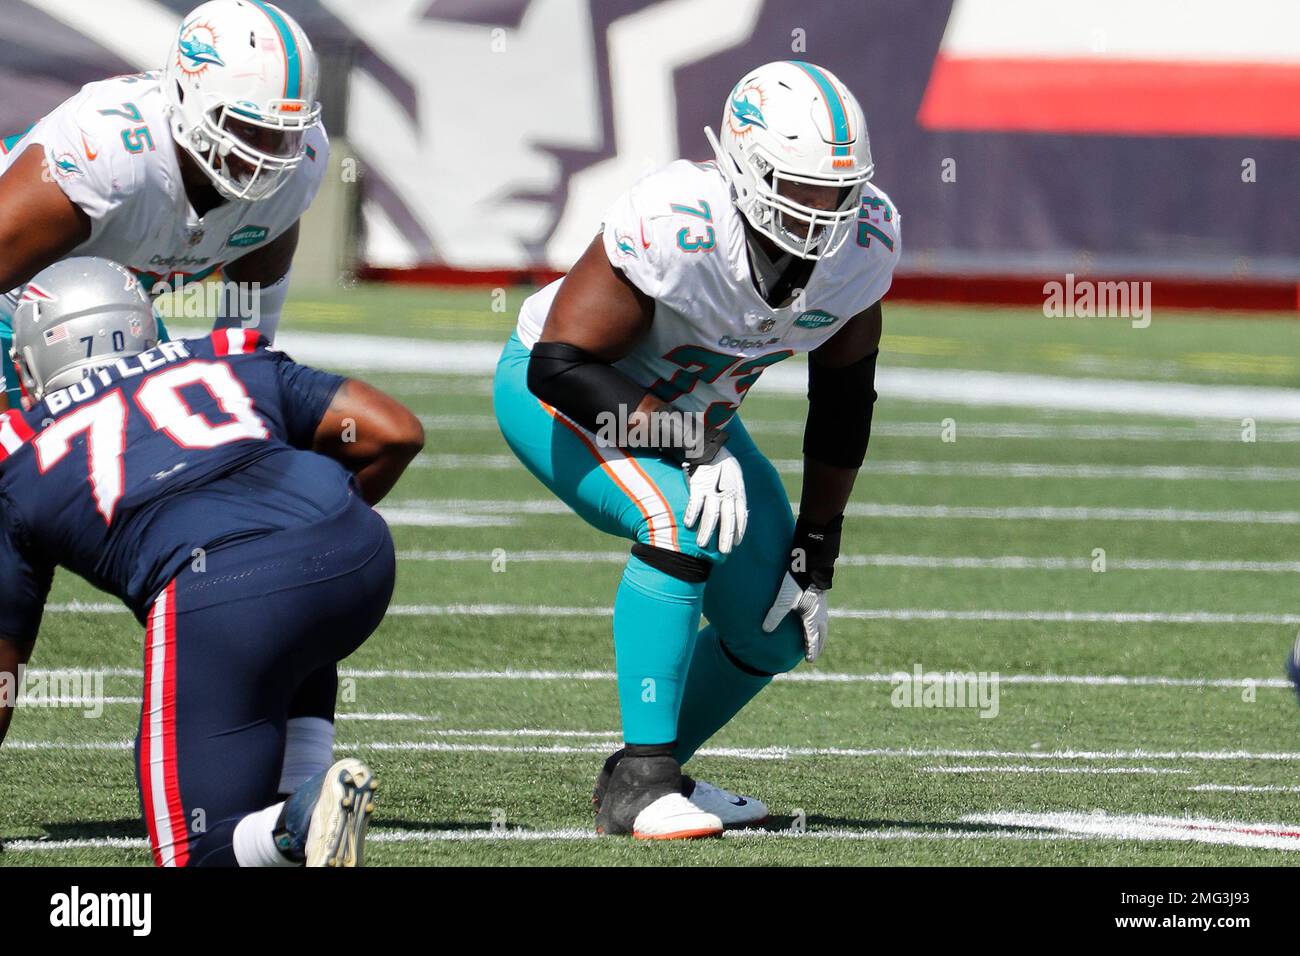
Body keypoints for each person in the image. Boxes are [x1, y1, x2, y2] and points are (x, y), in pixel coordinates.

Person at [494, 61, 900, 838]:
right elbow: (561, 364)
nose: (821, 214)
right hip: (575, 394)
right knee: (676, 523)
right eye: (800, 188)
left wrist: (819, 536)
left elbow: (844, 397)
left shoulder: (863, 246)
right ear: (744, 168)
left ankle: (642, 771)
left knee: (773, 630)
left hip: (697, 419)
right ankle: (645, 786)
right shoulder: (679, 221)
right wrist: (688, 447)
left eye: (837, 194)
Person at [0, 257, 425, 866]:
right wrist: (323, 514)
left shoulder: (18, 457)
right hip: (356, 558)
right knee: (289, 624)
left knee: (194, 852)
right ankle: (305, 786)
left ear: (36, 357)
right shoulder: (226, 355)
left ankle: (297, 827)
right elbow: (395, 430)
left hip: (225, 598)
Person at [0, 0, 330, 410]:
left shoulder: (295, 174)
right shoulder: (110, 153)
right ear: (184, 98)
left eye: (280, 136)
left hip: (107, 313)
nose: (266, 158)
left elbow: (246, 345)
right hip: (13, 299)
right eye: (246, 130)